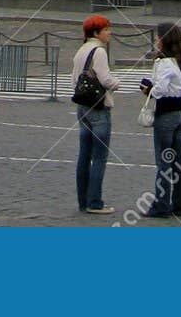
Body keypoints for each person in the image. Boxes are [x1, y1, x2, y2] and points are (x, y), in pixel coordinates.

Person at [140, 22, 181, 220]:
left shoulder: (163, 62)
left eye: (157, 37)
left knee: (163, 161)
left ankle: (161, 205)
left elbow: (160, 90)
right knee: (178, 161)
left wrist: (148, 90)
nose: (155, 41)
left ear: (164, 40)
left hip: (166, 115)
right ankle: (180, 205)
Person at [71, 13, 121, 216]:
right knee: (99, 157)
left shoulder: (81, 50)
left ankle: (83, 201)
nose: (109, 32)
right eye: (106, 29)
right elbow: (105, 79)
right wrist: (118, 83)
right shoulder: (99, 52)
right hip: (99, 108)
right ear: (96, 32)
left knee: (84, 155)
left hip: (82, 107)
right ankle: (95, 202)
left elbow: (75, 80)